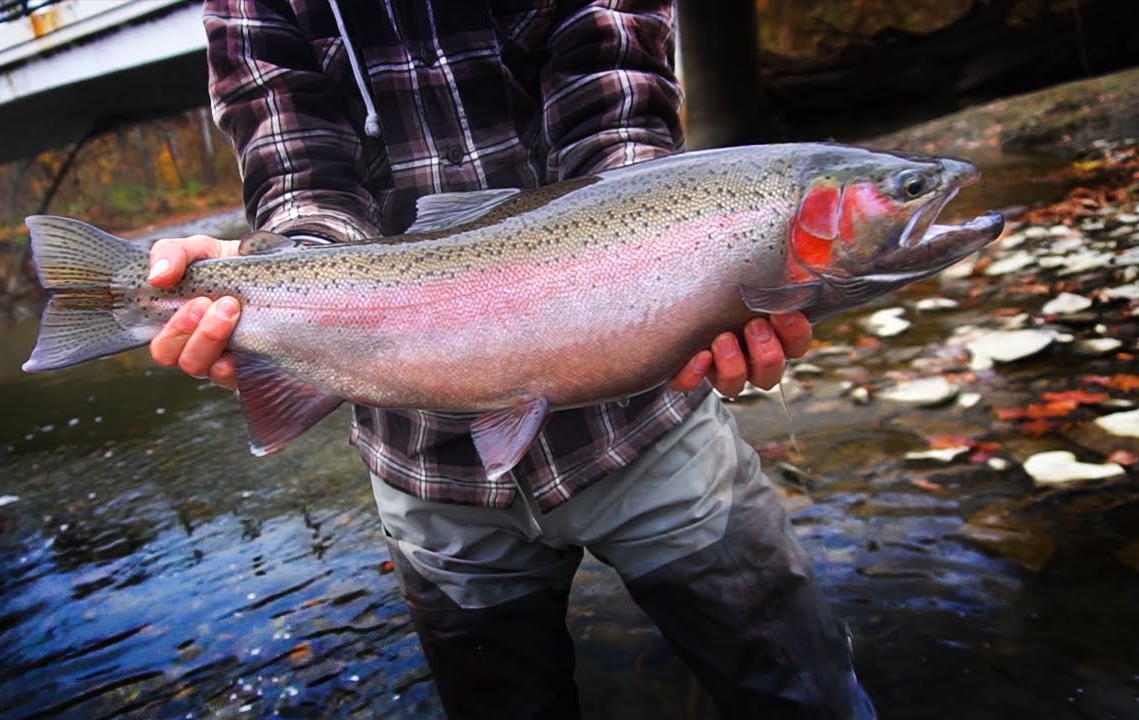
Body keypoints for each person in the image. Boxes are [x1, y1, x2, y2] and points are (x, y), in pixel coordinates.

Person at [146, 2, 875, 718]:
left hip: (649, 429)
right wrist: (277, 296)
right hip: (426, 467)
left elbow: (615, 116)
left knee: (806, 699)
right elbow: (303, 182)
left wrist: (692, 278)